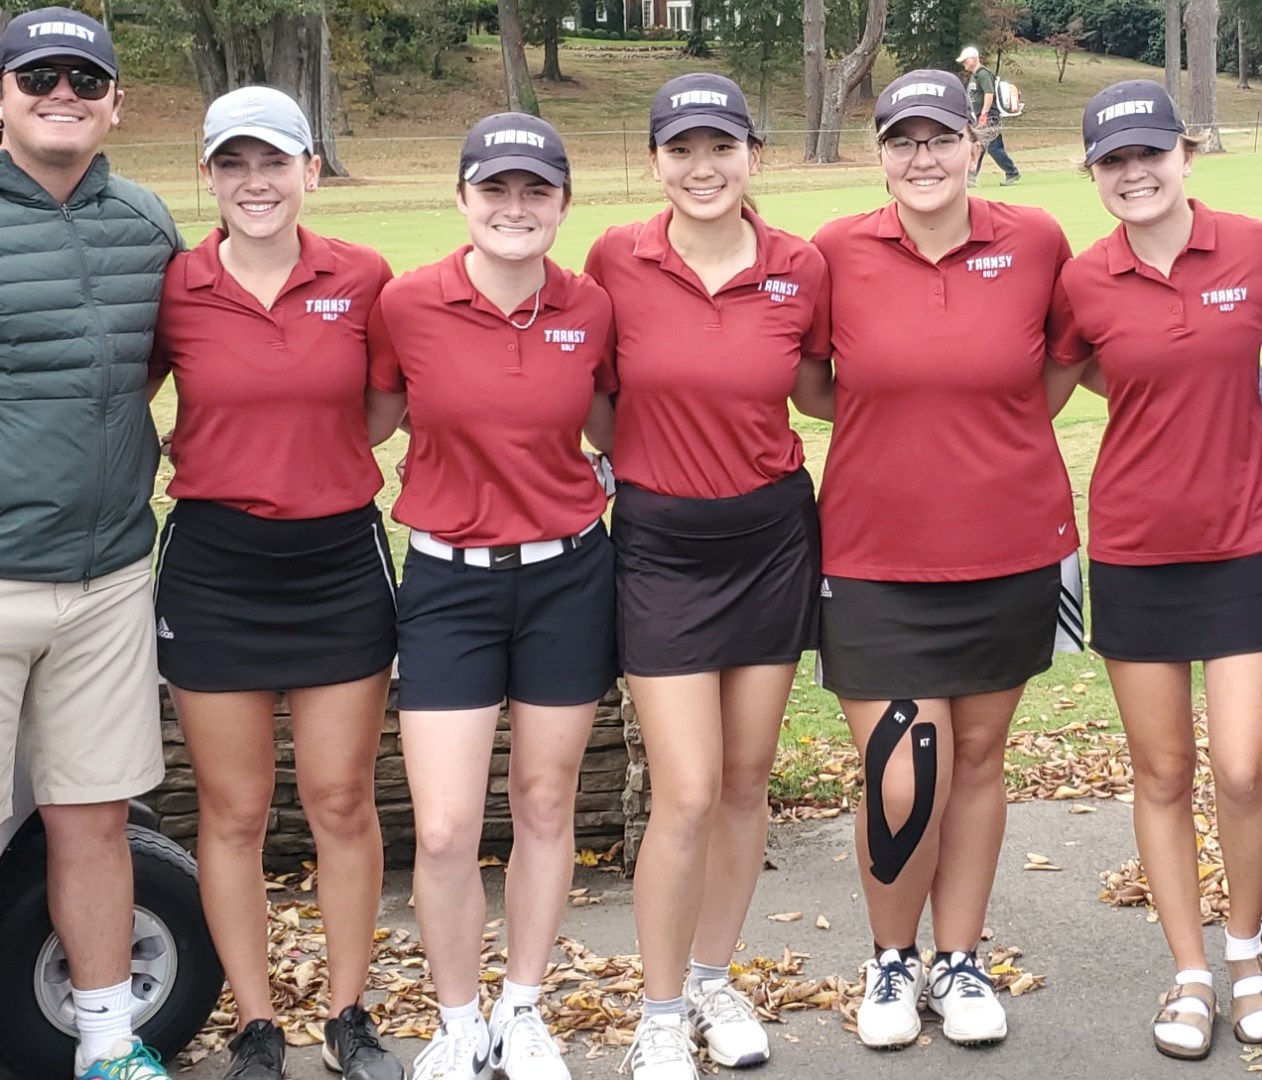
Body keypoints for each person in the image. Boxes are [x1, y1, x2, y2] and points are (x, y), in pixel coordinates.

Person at [0, 9, 181, 1080]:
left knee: (94, 825)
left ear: (114, 100)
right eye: (39, 75)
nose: (64, 92)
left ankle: (108, 1042)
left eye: (85, 76)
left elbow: (145, 369)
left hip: (103, 577)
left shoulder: (144, 218)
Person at [811, 68, 1076, 1052]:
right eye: (900, 141)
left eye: (938, 139)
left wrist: (985, 426)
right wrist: (901, 416)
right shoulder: (835, 250)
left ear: (973, 143)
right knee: (898, 768)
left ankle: (957, 958)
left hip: (1008, 547)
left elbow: (1057, 363)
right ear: (878, 152)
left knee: (974, 759)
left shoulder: (1035, 239)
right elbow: (808, 380)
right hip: (874, 553)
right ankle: (890, 961)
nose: (920, 159)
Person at [145, 85, 403, 1080]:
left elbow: (382, 408)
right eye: (233, 164)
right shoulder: (174, 284)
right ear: (208, 177)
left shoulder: (364, 275)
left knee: (340, 797)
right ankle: (254, 1022)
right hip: (214, 565)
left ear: (311, 169)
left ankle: (348, 1013)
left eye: (274, 162)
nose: (255, 183)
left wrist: (302, 455)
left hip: (337, 560)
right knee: (235, 808)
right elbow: (130, 399)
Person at [583, 73, 832, 1080]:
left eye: (719, 148)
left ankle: (712, 977)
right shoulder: (617, 257)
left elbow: (818, 390)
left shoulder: (797, 265)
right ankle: (655, 1010)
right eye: (680, 150)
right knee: (683, 791)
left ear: (751, 157)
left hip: (771, 537)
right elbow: (596, 396)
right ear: (654, 162)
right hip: (661, 546)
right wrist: (650, 459)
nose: (701, 168)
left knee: (739, 782)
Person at [366, 112, 619, 1080]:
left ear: (560, 201)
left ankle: (523, 1007)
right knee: (442, 825)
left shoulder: (589, 304)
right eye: (494, 189)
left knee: (546, 805)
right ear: (462, 196)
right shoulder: (408, 303)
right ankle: (457, 1015)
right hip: (447, 583)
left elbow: (614, 421)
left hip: (566, 575)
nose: (514, 208)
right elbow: (372, 419)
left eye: (535, 190)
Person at [1049, 79, 1262, 1061]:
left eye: (1149, 153)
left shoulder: (1257, 248)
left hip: (1245, 540)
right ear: (1094, 176)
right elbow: (1056, 386)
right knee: (1160, 772)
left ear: (1184, 155)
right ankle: (1189, 970)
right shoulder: (1082, 281)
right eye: (1112, 161)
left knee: (1239, 767)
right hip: (1134, 546)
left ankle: (1246, 949)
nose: (1133, 173)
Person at [958, 46, 1020, 187]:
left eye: (965, 60)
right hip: (981, 117)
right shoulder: (975, 76)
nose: (964, 64)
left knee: (994, 147)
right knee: (979, 147)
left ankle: (1012, 172)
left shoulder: (983, 74)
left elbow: (989, 93)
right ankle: (971, 178)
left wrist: (984, 114)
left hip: (989, 117)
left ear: (973, 59)